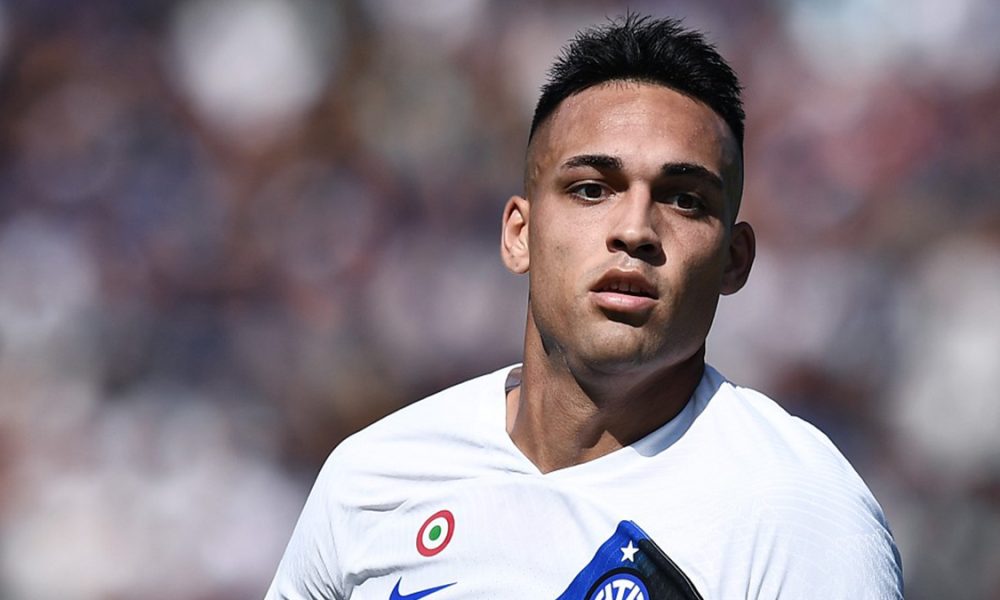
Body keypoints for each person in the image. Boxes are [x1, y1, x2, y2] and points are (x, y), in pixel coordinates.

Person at [266, 14, 903, 599]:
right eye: (592, 189)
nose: (635, 229)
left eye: (684, 199)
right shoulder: (374, 482)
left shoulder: (799, 514)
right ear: (520, 234)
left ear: (735, 260)